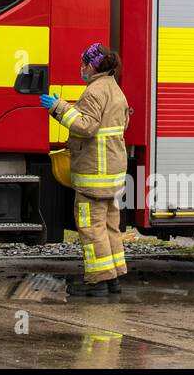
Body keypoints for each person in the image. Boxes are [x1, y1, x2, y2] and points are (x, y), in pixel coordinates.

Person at [40, 43, 131, 297]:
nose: (81, 68)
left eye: (83, 63)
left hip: (94, 174)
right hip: (112, 174)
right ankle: (113, 278)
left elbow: (86, 126)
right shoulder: (114, 88)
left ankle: (98, 281)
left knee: (92, 228)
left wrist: (58, 108)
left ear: (92, 65)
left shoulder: (94, 92)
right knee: (110, 227)